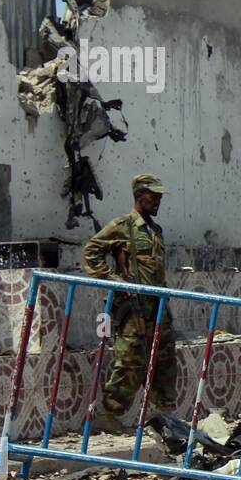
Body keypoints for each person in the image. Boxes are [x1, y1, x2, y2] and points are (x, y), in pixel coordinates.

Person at [82, 173, 176, 432]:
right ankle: (110, 414)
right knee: (131, 360)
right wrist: (112, 280)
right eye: (152, 195)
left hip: (157, 305)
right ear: (139, 195)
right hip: (133, 307)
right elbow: (91, 251)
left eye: (159, 196)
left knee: (165, 359)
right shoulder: (122, 226)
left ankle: (165, 415)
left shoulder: (155, 230)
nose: (157, 200)